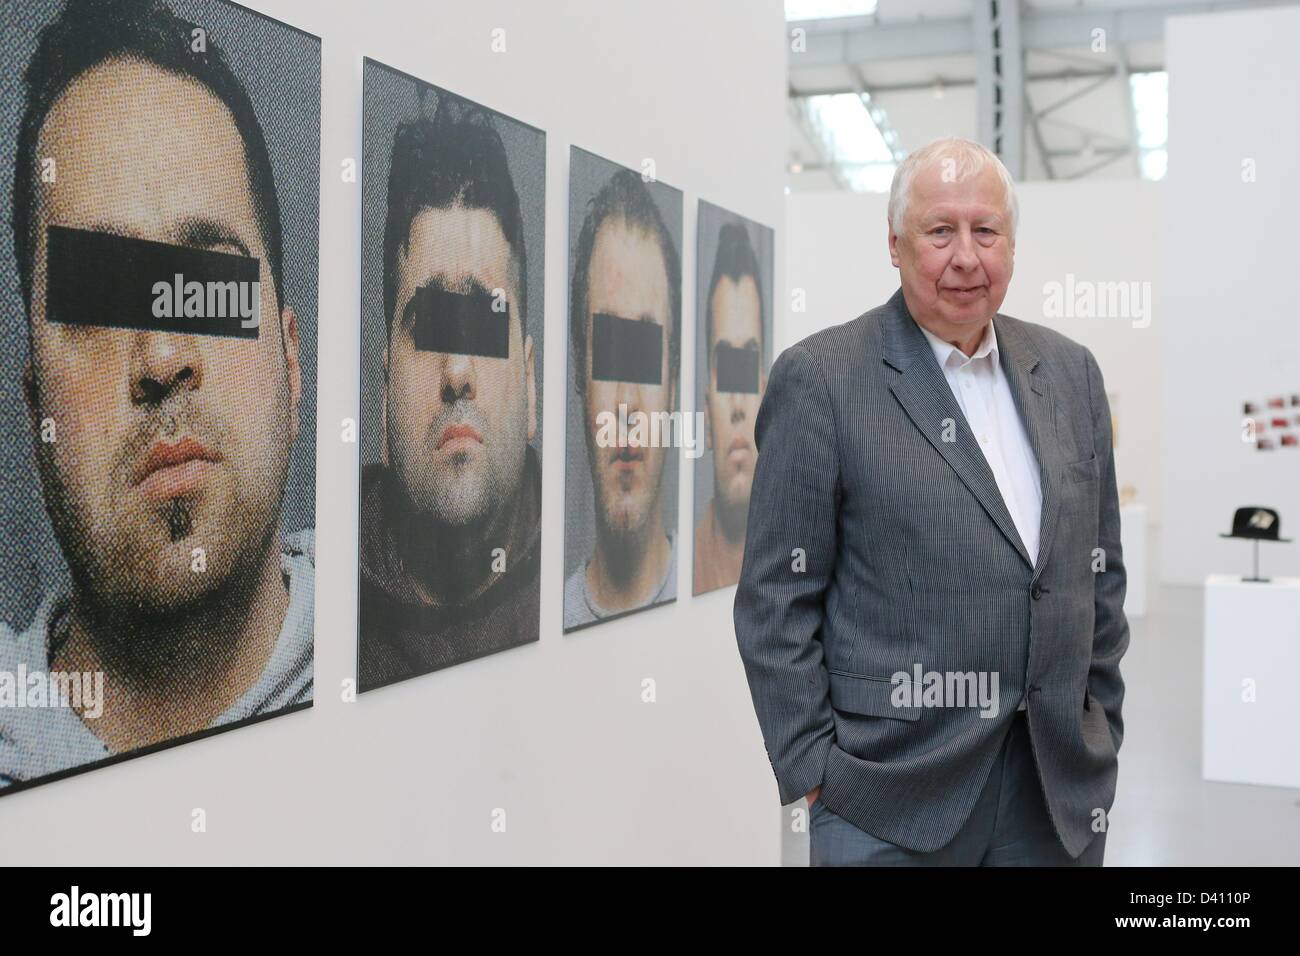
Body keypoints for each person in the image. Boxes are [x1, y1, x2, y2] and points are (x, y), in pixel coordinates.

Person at [735, 137, 1129, 866]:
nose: (966, 256)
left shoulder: (1070, 374)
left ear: (1011, 242)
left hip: (1053, 795)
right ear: (895, 245)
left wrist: (1099, 724)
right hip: (887, 800)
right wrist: (813, 770)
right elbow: (773, 598)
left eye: (986, 230)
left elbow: (1098, 575)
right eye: (940, 230)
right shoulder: (823, 380)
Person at [1, 0, 312, 787]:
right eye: (102, 298)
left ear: (291, 364)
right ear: (36, 411)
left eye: (207, 282)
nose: (163, 354)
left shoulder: (396, 648)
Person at [358, 95, 540, 688]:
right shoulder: (317, 608)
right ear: (383, 389)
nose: (457, 370)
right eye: (429, 324)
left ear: (531, 386)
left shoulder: (566, 598)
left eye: (485, 324)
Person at [564, 168, 680, 630]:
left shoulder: (720, 597)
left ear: (673, 383)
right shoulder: (550, 623)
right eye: (612, 351)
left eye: (646, 354)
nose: (628, 406)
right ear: (579, 374)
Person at [694, 222, 765, 594]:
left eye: (746, 369)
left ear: (767, 395)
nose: (738, 408)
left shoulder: (804, 553)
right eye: (727, 373)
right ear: (707, 413)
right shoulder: (687, 568)